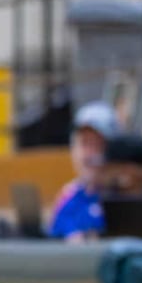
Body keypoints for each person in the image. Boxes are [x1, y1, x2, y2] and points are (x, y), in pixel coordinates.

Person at [48, 101, 117, 240]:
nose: (90, 154)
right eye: (84, 143)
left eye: (97, 144)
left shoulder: (123, 198)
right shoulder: (68, 195)